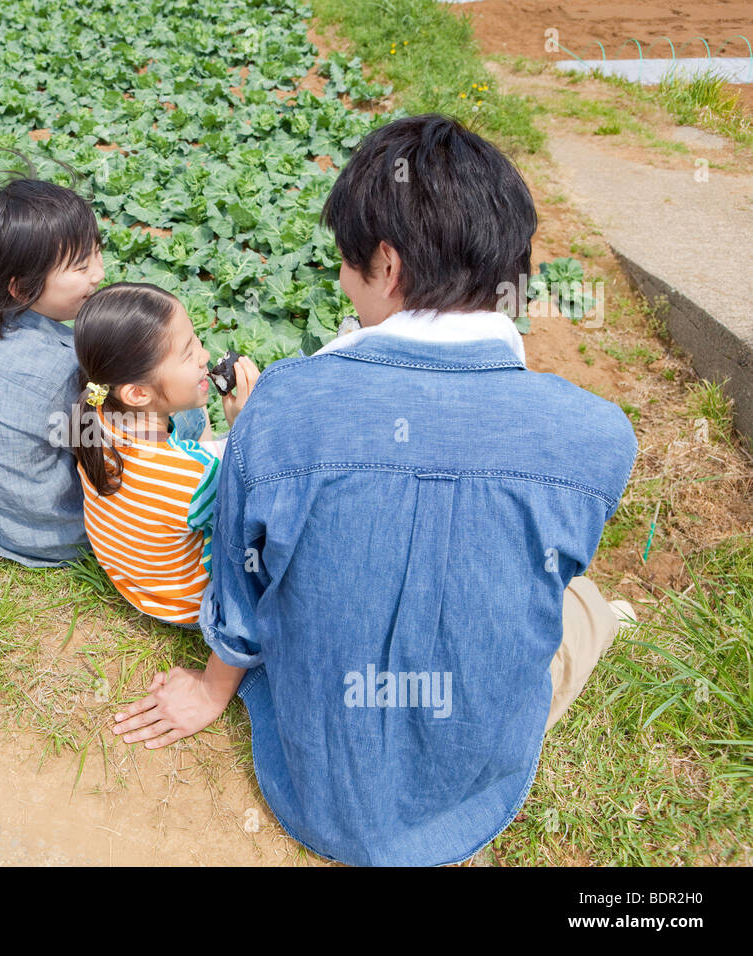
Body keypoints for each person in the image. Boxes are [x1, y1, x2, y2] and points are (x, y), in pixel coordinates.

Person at [110, 114, 639, 867]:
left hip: (313, 783)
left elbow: (239, 585)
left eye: (344, 264)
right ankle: (608, 617)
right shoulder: (598, 436)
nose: (341, 280)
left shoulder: (284, 406)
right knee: (580, 600)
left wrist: (210, 687)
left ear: (385, 267)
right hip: (474, 792)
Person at [0, 180, 206, 567]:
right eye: (80, 266)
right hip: (55, 533)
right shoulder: (67, 370)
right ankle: (204, 479)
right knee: (186, 409)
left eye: (97, 253)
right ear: (20, 287)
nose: (98, 273)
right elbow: (102, 447)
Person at [70, 283, 258, 625]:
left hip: (132, 578)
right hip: (188, 600)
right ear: (138, 393)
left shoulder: (91, 415)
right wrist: (246, 428)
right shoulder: (195, 474)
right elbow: (254, 500)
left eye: (196, 340)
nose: (204, 356)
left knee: (189, 415)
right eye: (187, 353)